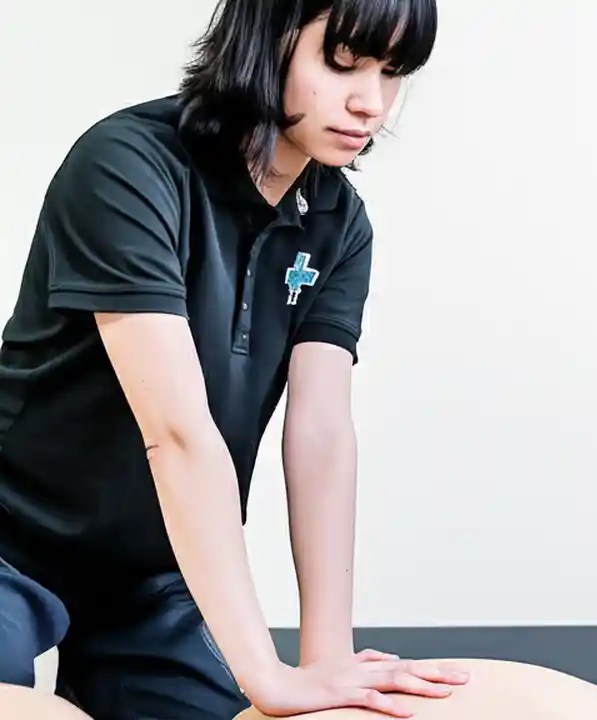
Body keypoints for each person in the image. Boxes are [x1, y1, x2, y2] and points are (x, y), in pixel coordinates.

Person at [0, 1, 471, 717]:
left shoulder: (339, 224)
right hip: (14, 537)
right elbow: (178, 434)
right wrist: (270, 677)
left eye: (393, 73)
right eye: (342, 62)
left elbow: (320, 435)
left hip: (154, 572)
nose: (370, 102)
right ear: (268, 36)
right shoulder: (128, 166)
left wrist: (324, 664)